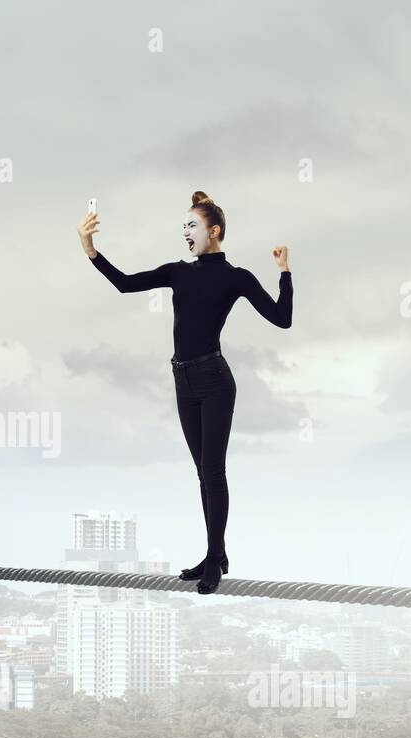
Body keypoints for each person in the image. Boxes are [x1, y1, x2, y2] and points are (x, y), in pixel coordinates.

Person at [78, 190, 293, 593]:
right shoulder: (178, 272)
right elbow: (125, 284)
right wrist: (90, 248)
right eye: (183, 228)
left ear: (214, 231)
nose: (185, 233)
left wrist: (284, 272)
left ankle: (215, 559)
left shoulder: (236, 277)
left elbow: (283, 319)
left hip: (214, 380)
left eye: (191, 226)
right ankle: (217, 552)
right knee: (202, 473)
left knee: (213, 472)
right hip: (183, 380)